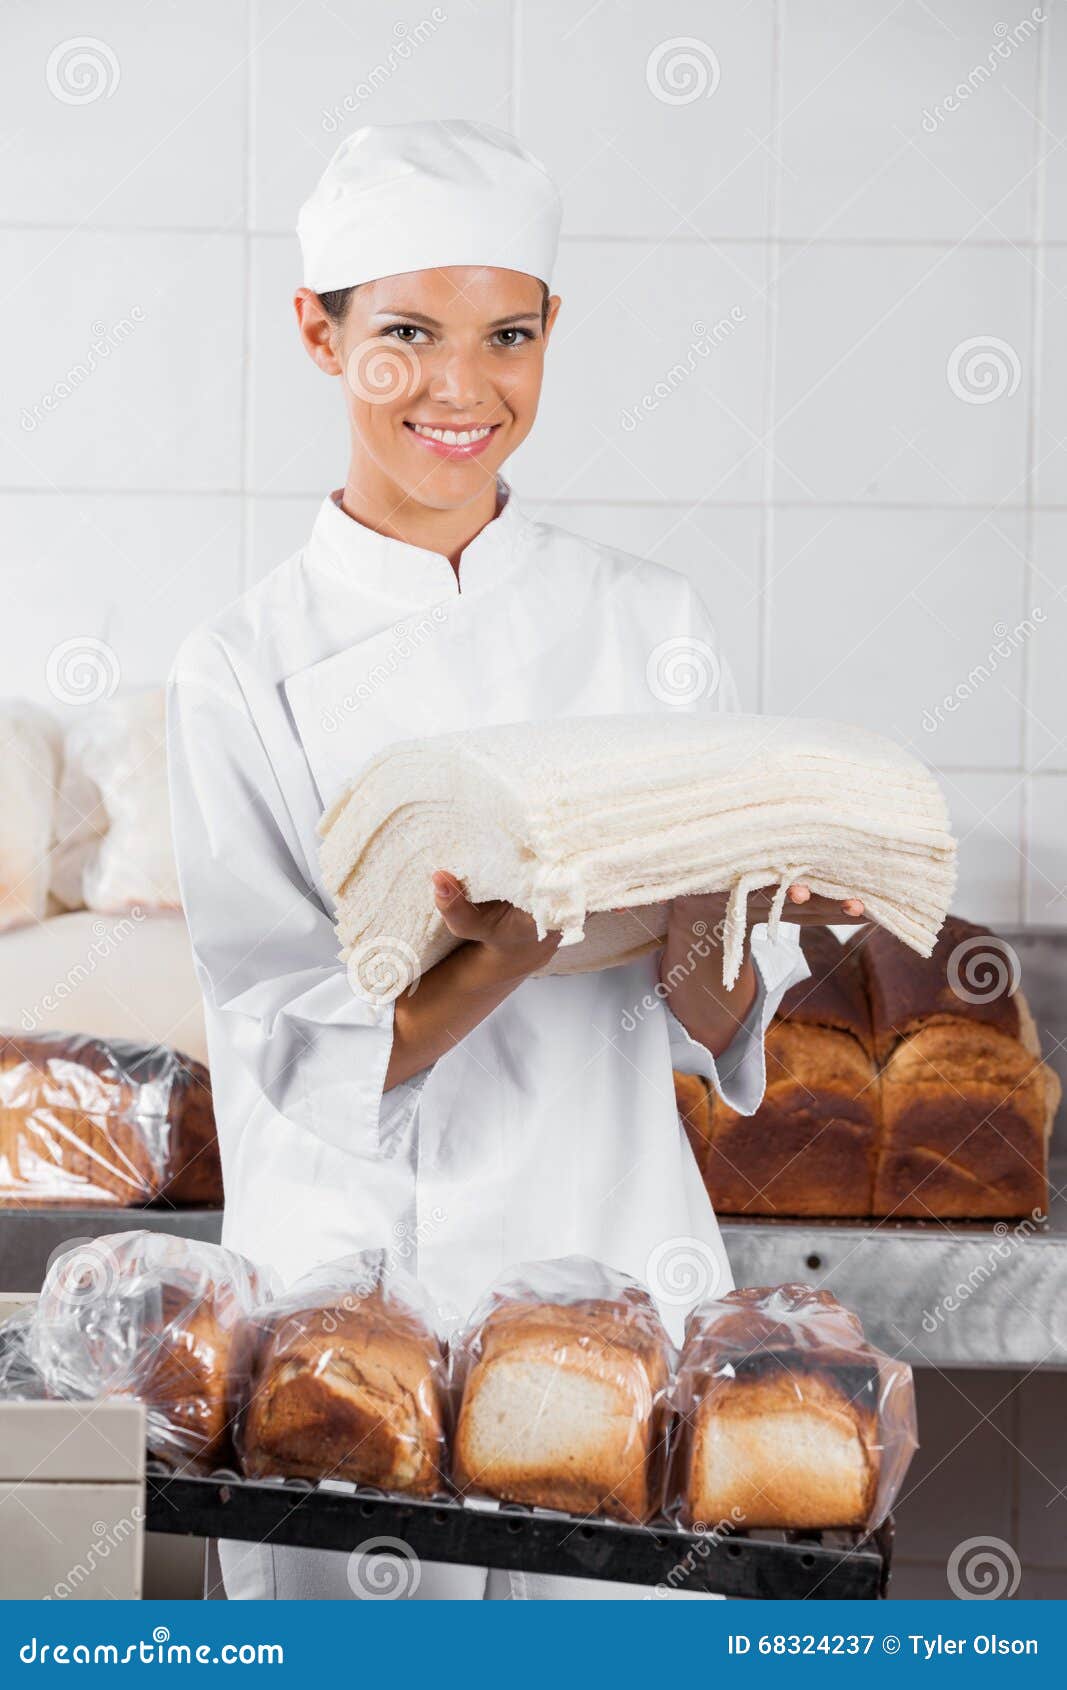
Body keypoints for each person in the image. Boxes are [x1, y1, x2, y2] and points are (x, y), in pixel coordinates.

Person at [167, 119, 867, 1601]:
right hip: (350, 1322)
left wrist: (729, 916)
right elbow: (291, 1040)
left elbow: (717, 1017)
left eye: (508, 336)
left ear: (552, 336)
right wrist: (512, 946)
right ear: (319, 330)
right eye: (407, 334)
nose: (461, 389)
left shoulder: (650, 624)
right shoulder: (239, 668)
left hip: (614, 1282)